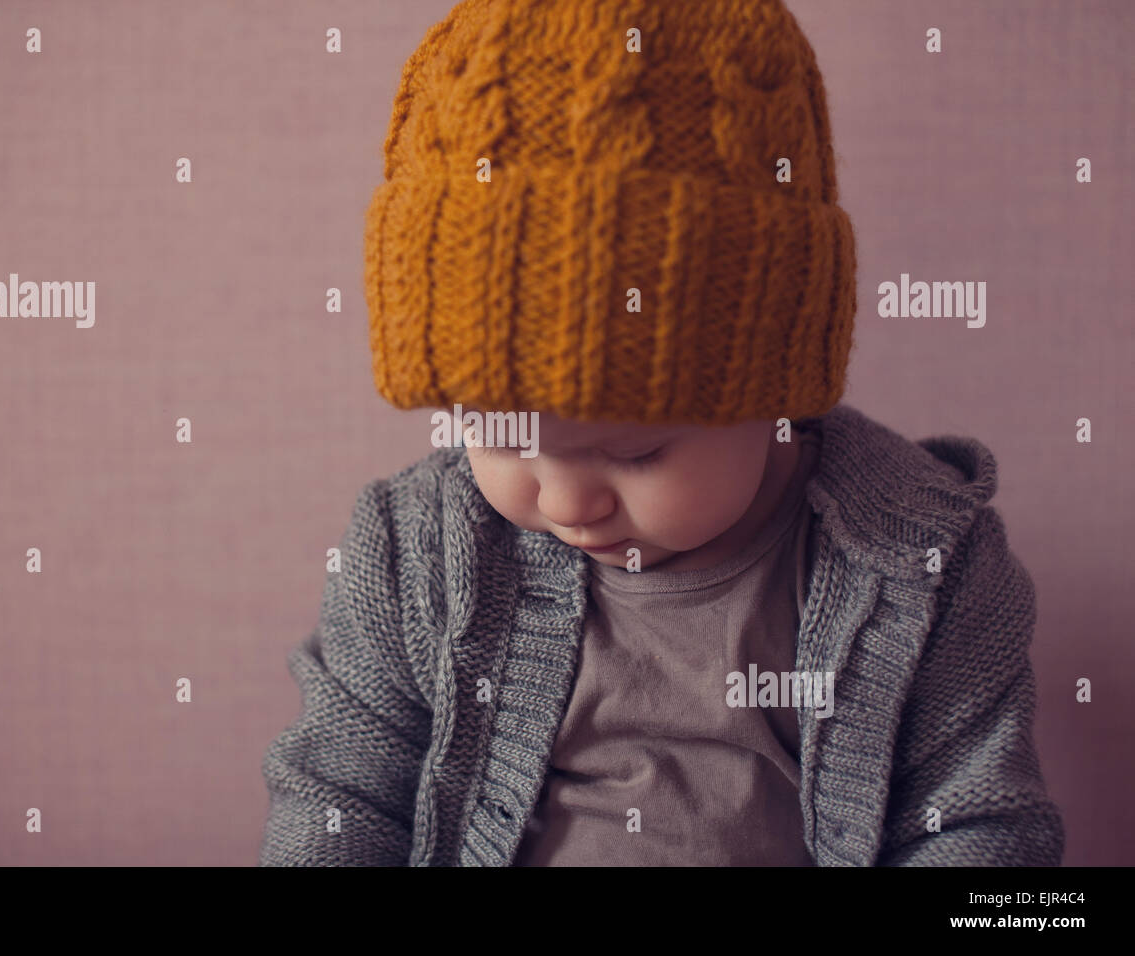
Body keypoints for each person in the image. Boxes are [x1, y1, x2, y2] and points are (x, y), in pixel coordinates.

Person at [259, 0, 1065, 866]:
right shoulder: (413, 555)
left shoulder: (924, 564)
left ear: (777, 381)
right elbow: (336, 797)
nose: (564, 497)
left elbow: (988, 835)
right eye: (496, 431)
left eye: (635, 451)